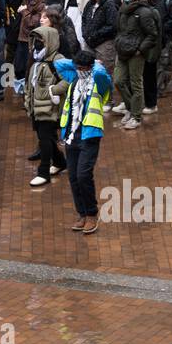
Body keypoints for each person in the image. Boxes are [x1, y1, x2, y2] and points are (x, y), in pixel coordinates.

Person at [56, 49, 112, 234]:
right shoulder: (74, 80)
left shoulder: (99, 83)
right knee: (73, 177)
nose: (80, 71)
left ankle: (91, 214)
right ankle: (81, 213)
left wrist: (95, 64)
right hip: (72, 135)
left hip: (89, 136)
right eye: (77, 68)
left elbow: (101, 74)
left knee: (83, 175)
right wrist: (77, 61)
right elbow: (59, 64)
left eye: (84, 68)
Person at [110, 0, 158, 129]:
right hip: (122, 50)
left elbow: (152, 35)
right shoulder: (123, 10)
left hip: (136, 53)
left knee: (136, 84)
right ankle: (131, 108)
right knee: (118, 80)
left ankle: (136, 116)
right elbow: (119, 29)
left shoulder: (145, 12)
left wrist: (140, 50)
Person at [23, 25, 67, 185]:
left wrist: (54, 90)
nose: (38, 43)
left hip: (50, 108)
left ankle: (43, 173)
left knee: (44, 139)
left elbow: (69, 80)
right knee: (46, 138)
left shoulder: (58, 60)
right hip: (37, 107)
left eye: (41, 40)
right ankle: (60, 162)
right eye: (36, 40)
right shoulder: (36, 59)